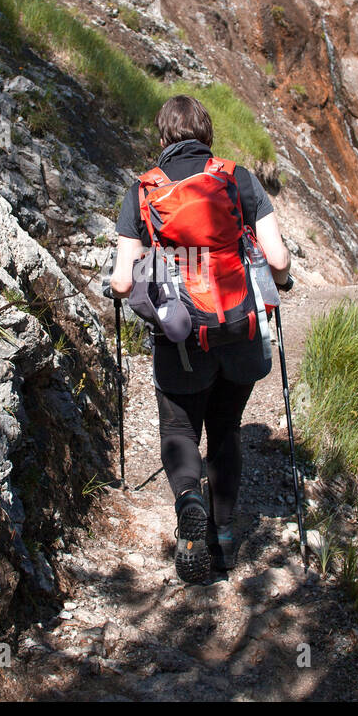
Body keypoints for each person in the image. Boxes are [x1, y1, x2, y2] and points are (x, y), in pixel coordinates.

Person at [109, 95, 292, 583]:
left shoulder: (143, 191)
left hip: (181, 334)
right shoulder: (238, 177)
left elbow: (124, 282)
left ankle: (189, 501)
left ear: (163, 137)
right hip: (238, 326)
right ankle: (224, 538)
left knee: (180, 430)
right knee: (227, 427)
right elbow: (277, 260)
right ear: (206, 133)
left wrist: (124, 282)